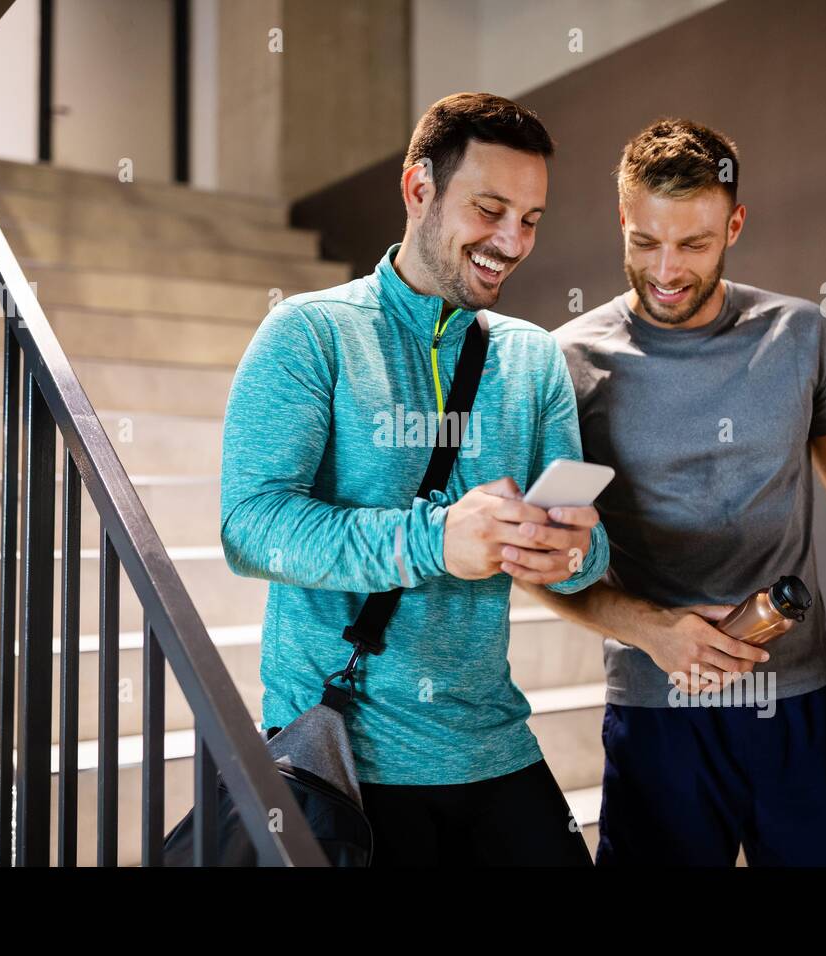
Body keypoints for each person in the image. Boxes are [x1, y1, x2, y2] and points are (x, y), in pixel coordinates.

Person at [526, 117, 826, 866]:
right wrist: (651, 629)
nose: (666, 269)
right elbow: (538, 563)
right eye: (646, 241)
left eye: (694, 244)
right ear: (623, 217)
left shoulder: (801, 335)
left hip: (800, 705)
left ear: (736, 223)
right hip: (660, 720)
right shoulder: (566, 362)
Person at [220, 93, 607, 865]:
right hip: (348, 763)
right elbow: (250, 527)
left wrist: (569, 552)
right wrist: (434, 539)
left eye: (530, 219)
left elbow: (584, 565)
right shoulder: (311, 333)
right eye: (491, 208)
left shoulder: (533, 358)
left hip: (494, 745)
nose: (511, 241)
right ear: (418, 189)